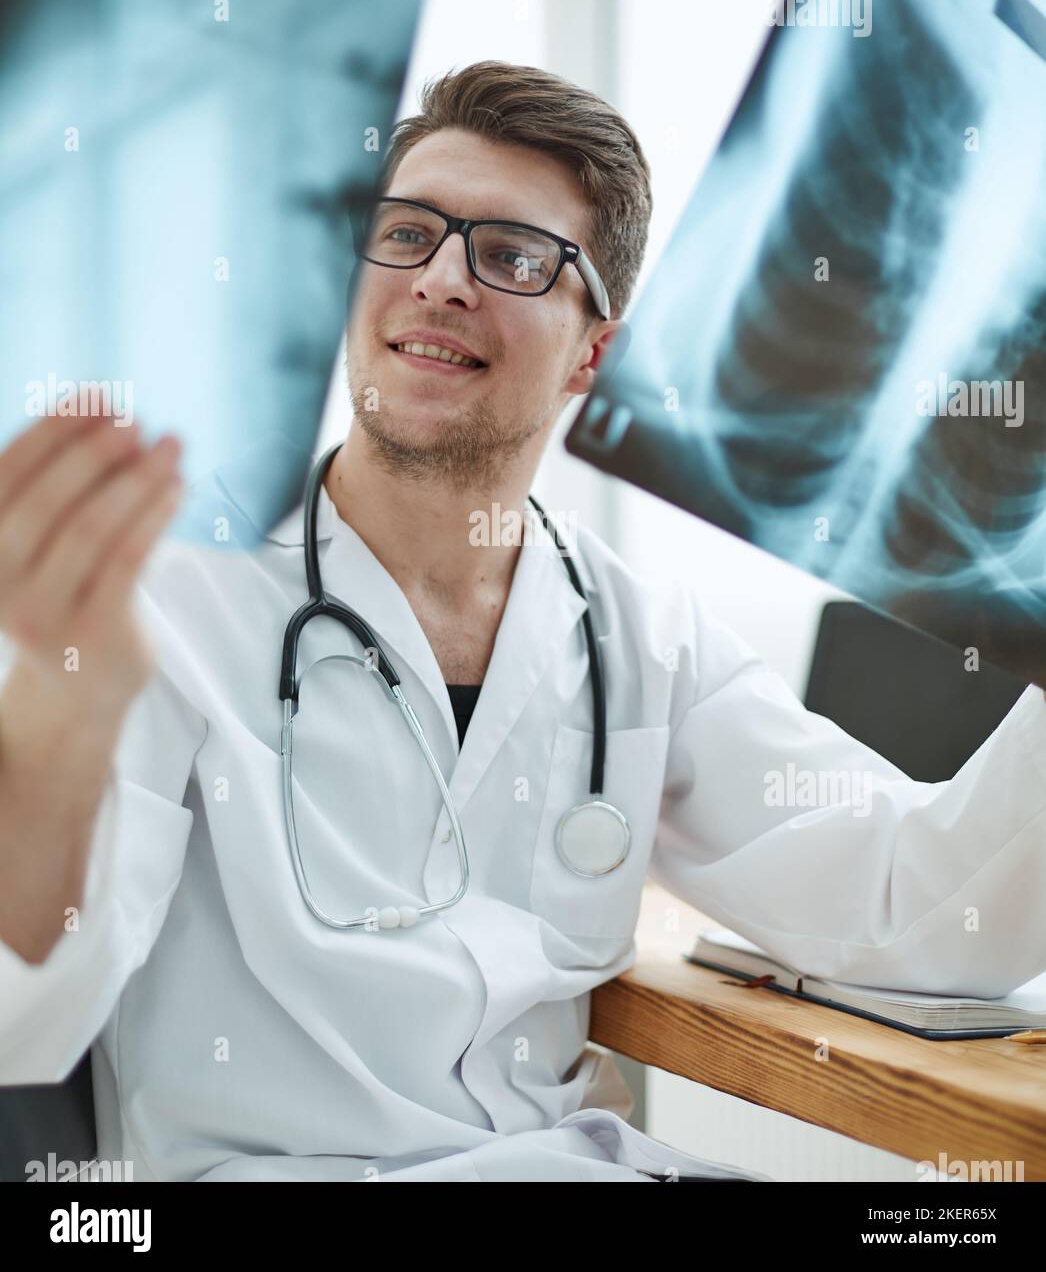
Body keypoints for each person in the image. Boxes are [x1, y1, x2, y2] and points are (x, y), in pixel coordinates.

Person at [1, 61, 1045, 1184]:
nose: (442, 279)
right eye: (405, 235)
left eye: (512, 256)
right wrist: (60, 716)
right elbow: (24, 1019)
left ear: (592, 353)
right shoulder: (165, 602)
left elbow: (920, 917)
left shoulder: (640, 639)